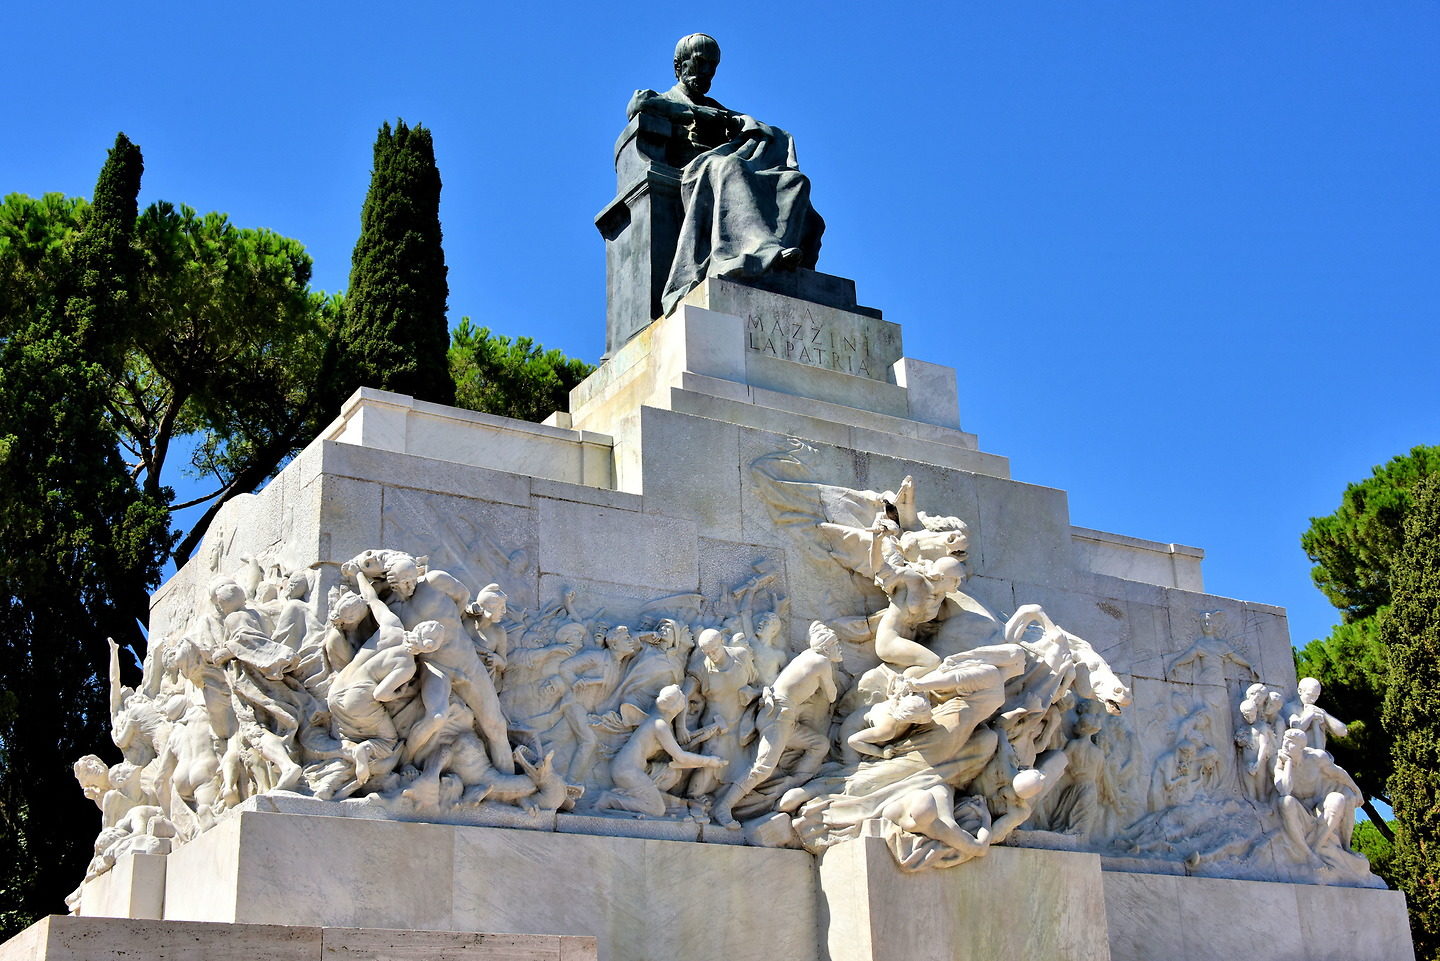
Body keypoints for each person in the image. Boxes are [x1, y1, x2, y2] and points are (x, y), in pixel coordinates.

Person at [628, 34, 825, 315]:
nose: (707, 71)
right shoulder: (663, 99)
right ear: (679, 66)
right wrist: (696, 114)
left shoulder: (718, 108)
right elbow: (638, 103)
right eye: (700, 63)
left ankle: (780, 262)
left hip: (724, 171)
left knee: (795, 181)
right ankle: (758, 251)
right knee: (730, 166)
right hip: (694, 173)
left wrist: (745, 125)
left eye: (712, 65)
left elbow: (745, 123)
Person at [711, 620, 845, 828]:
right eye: (836, 644)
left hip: (780, 714)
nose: (839, 648)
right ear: (827, 647)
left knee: (820, 744)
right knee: (762, 768)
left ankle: (793, 784)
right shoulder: (822, 661)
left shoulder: (806, 655)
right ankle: (723, 807)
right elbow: (832, 695)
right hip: (779, 715)